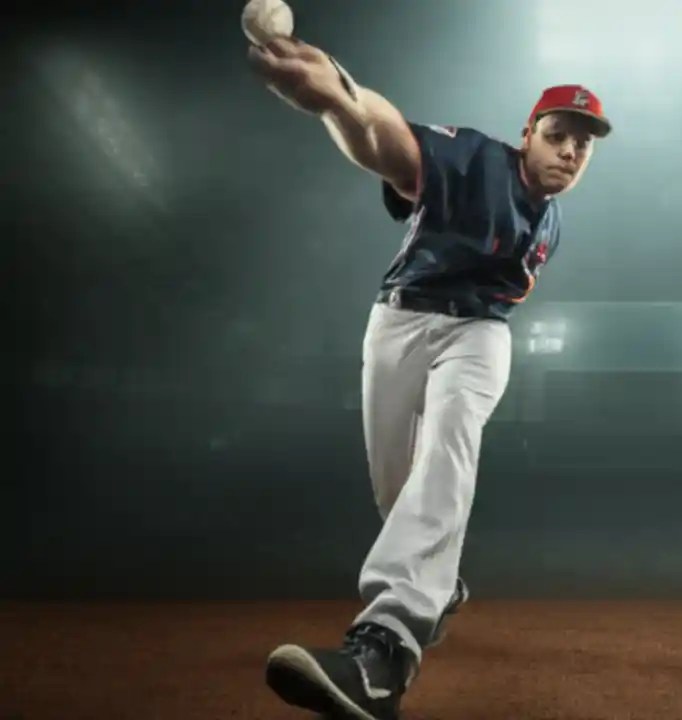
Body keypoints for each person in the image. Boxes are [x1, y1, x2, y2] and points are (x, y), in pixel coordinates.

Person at [246, 30, 611, 720]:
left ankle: (385, 652)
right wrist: (341, 100)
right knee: (397, 494)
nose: (570, 150)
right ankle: (437, 586)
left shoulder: (552, 222)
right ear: (528, 132)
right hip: (398, 321)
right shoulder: (480, 159)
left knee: (449, 447)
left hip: (478, 336)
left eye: (584, 144)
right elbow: (392, 148)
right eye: (559, 133)